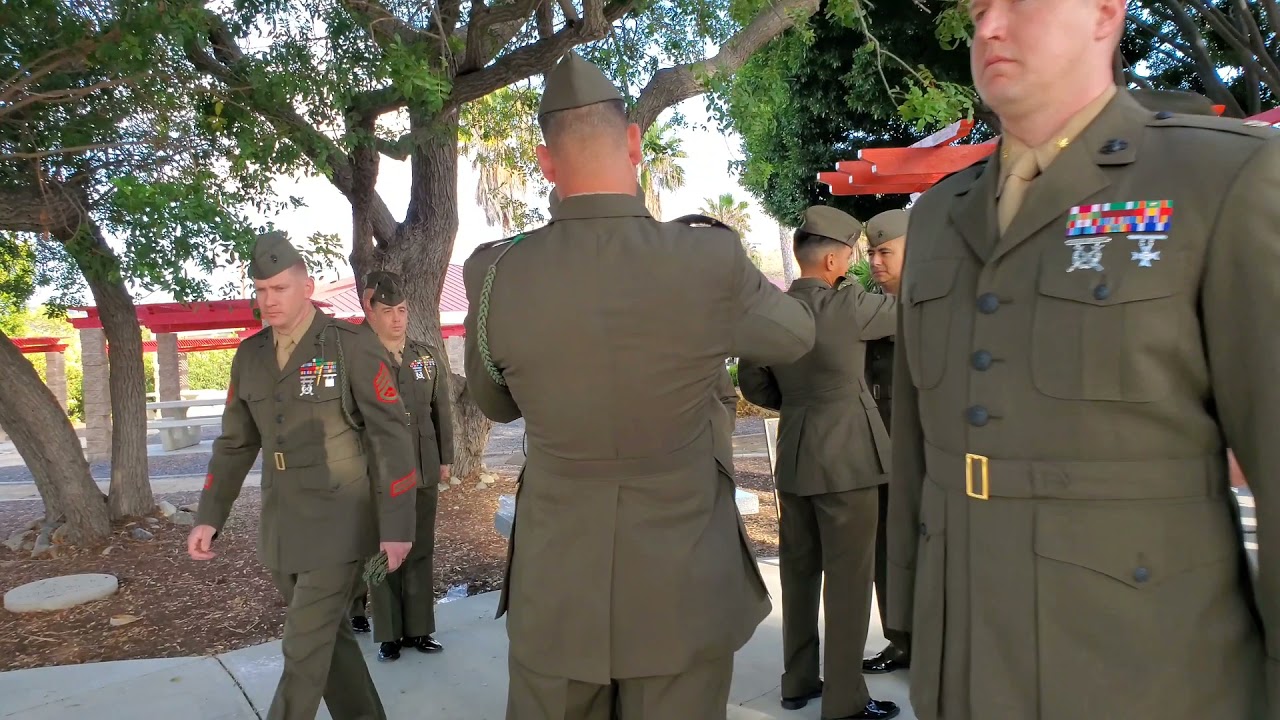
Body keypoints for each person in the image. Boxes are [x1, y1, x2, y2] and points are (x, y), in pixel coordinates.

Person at [886, 1, 1279, 718]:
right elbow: (918, 440)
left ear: (1104, 12)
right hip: (963, 660)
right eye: (979, 9)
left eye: (1017, 3)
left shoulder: (1220, 178)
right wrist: (911, 616)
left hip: (1142, 668)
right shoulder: (940, 215)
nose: (989, 28)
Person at [462, 51, 817, 720]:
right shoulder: (706, 258)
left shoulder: (494, 271)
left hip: (557, 588)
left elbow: (494, 403)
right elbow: (795, 336)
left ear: (546, 163)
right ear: (633, 142)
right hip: (684, 586)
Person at [187, 231, 418, 720]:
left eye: (280, 288)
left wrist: (397, 526)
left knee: (302, 645)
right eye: (261, 290)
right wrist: (210, 514)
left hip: (341, 521)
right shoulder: (250, 356)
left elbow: (391, 437)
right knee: (326, 641)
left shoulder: (350, 346)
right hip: (282, 524)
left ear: (306, 288)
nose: (268, 299)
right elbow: (235, 443)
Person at [738, 206, 899, 720]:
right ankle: (845, 699)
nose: (854, 264)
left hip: (795, 457)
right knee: (849, 582)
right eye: (851, 256)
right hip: (850, 461)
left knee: (800, 573)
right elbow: (911, 310)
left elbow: (754, 385)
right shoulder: (851, 305)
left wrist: (800, 404)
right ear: (832, 260)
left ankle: (799, 680)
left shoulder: (768, 313)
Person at [356, 271, 455, 662]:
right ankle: (389, 633)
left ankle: (419, 629)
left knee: (420, 549)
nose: (397, 318)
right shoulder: (359, 358)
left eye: (402, 310)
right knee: (381, 551)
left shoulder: (424, 357)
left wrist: (445, 458)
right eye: (388, 311)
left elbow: (440, 409)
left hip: (422, 466)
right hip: (378, 471)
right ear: (371, 310)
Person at [860, 208, 911, 676]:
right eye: (871, 252)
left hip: (924, 450)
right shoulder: (861, 307)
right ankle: (900, 639)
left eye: (885, 251)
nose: (875, 261)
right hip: (876, 448)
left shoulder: (934, 306)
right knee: (884, 547)